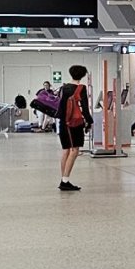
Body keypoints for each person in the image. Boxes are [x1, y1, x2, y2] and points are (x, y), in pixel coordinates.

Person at [57, 64, 94, 192]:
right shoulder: (81, 88)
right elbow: (85, 107)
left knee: (66, 150)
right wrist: (89, 121)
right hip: (74, 123)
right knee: (74, 150)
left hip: (63, 122)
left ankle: (64, 179)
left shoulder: (63, 88)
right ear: (82, 75)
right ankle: (64, 181)